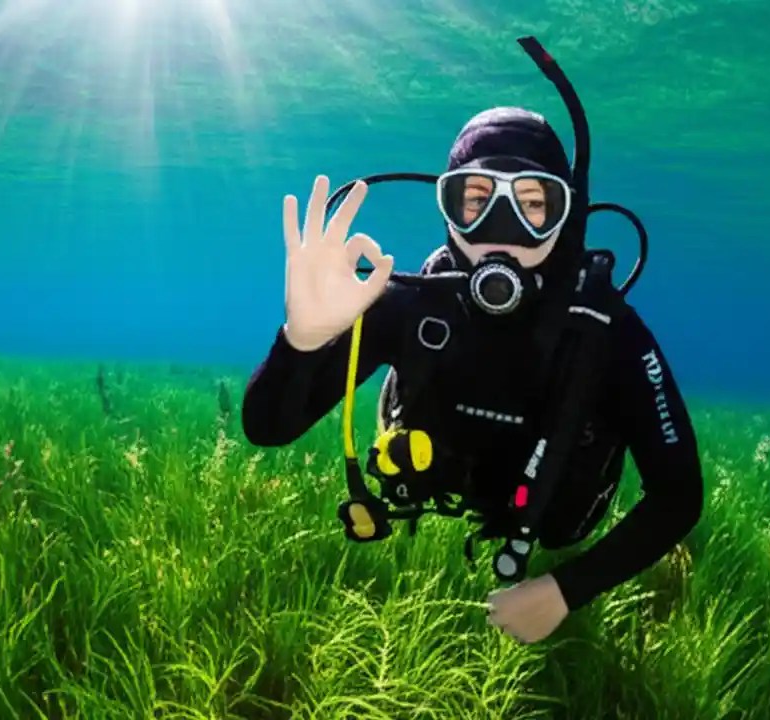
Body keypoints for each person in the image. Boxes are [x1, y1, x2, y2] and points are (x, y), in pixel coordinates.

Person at [241, 36, 703, 644]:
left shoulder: (605, 333)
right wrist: (299, 341)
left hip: (551, 522)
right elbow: (267, 428)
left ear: (566, 216)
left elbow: (678, 497)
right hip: (433, 479)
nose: (500, 231)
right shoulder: (406, 306)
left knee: (563, 526)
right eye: (477, 200)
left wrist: (567, 589)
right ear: (448, 210)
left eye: (533, 204)